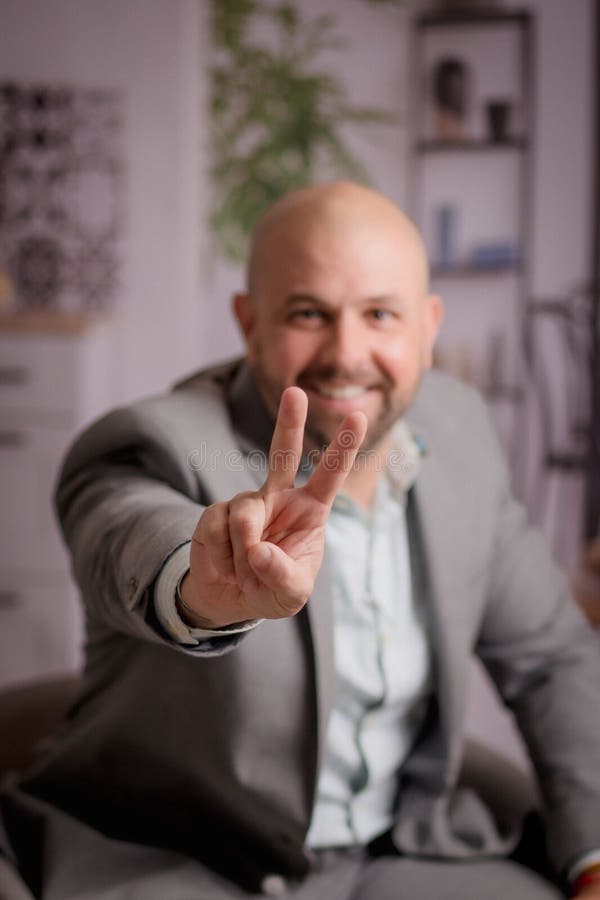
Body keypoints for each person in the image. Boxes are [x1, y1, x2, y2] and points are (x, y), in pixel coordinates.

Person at [1, 182, 599, 900]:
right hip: (177, 862)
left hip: (401, 859)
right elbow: (123, 533)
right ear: (249, 322)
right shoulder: (155, 442)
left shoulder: (461, 432)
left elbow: (550, 660)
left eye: (381, 314)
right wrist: (202, 584)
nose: (346, 354)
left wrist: (592, 858)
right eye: (308, 313)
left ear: (428, 326)